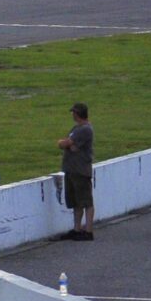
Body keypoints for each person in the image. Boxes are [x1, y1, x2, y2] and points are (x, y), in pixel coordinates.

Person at [59, 102, 95, 240]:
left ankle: (88, 231)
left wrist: (66, 144)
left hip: (81, 170)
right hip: (72, 169)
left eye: (74, 112)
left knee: (86, 201)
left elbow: (66, 144)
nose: (72, 115)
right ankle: (77, 228)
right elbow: (70, 144)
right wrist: (68, 144)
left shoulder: (84, 129)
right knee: (76, 202)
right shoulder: (77, 128)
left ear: (78, 114)